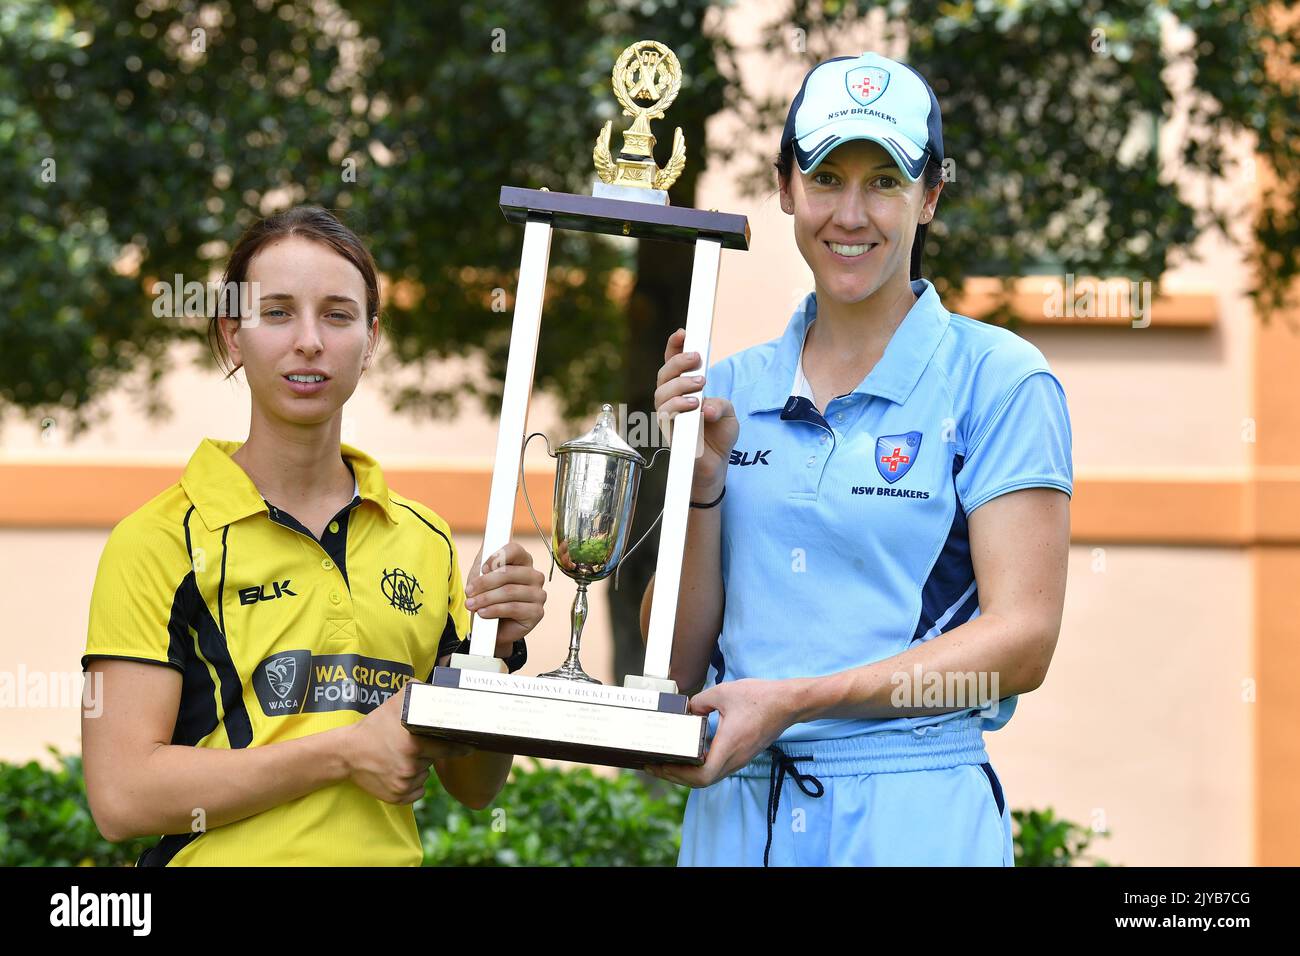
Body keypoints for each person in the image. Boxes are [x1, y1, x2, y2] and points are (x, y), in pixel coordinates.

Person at [639, 52, 1073, 866]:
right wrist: (699, 492)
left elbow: (1023, 647)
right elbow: (670, 666)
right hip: (739, 815)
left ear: (931, 196)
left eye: (885, 181)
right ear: (785, 188)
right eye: (828, 177)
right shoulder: (729, 387)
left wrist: (800, 702)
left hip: (913, 813)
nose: (851, 212)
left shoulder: (1000, 380)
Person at [81, 206, 546, 866]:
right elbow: (121, 797)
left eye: (337, 314)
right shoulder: (159, 541)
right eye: (276, 313)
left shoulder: (425, 539)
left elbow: (473, 786)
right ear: (233, 335)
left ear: (371, 337)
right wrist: (344, 753)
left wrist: (496, 652)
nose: (309, 341)